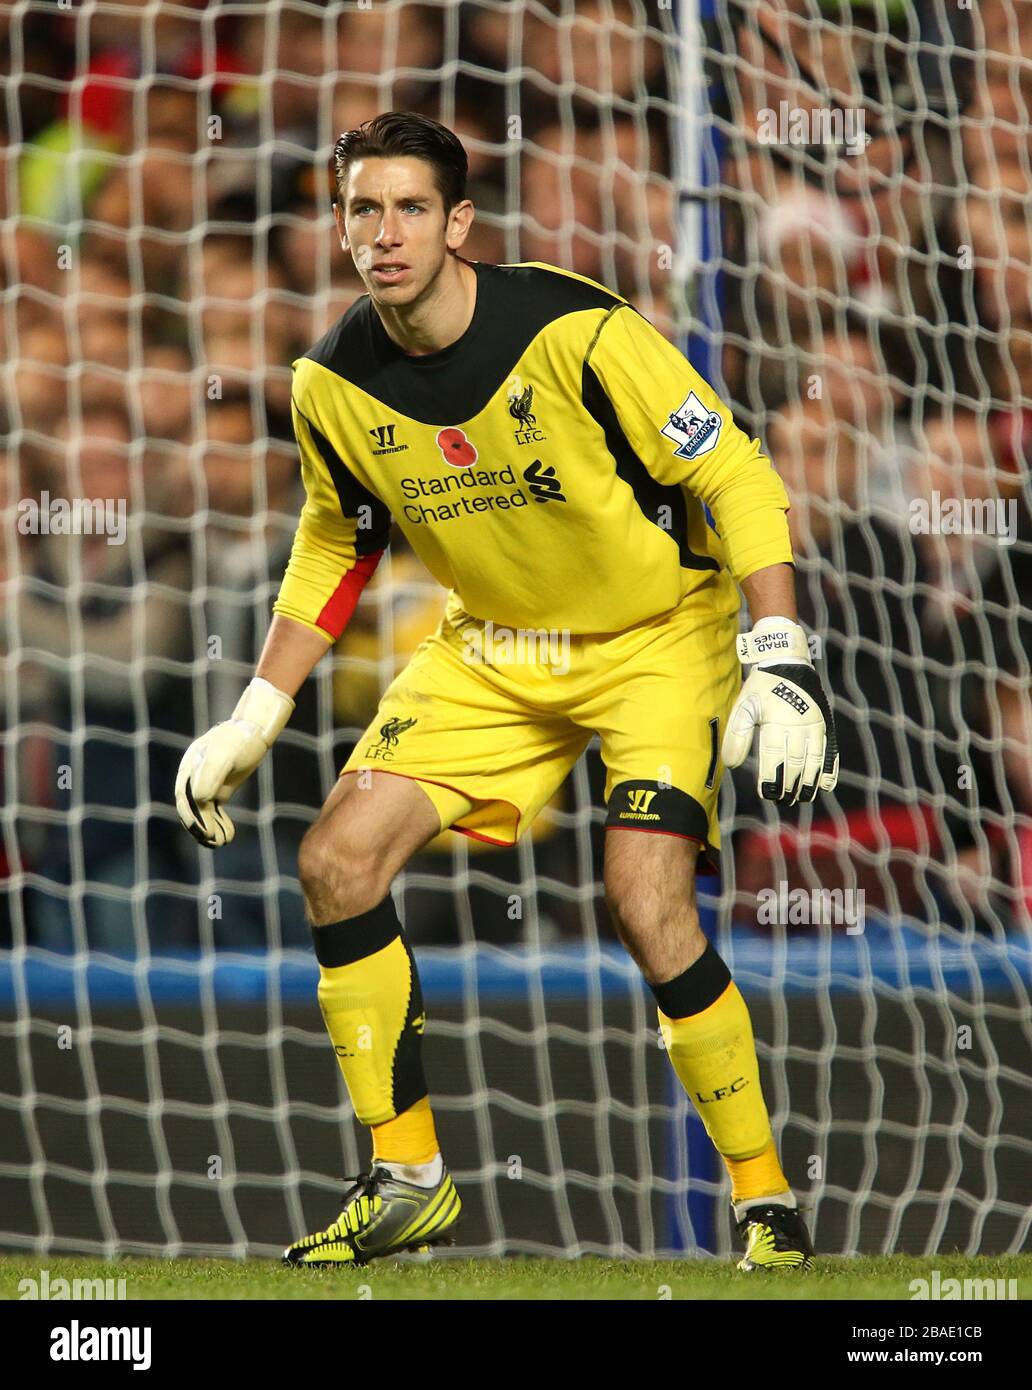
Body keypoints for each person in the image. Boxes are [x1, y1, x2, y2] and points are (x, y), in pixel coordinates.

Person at [174, 111, 838, 1271]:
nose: (384, 234)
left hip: (655, 637)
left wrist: (778, 647)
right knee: (334, 861)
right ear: (338, 226)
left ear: (459, 222)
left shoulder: (577, 328)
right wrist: (255, 710)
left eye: (410, 209)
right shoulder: (330, 380)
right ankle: (408, 1175)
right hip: (495, 651)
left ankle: (766, 1201)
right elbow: (336, 541)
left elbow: (729, 462)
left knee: (644, 897)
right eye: (362, 210)